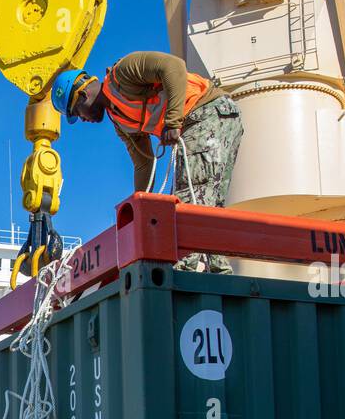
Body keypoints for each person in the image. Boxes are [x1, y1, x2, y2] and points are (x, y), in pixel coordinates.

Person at [52, 53, 244, 273]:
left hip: (207, 113)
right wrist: (140, 209)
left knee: (191, 196)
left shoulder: (123, 72)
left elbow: (174, 67)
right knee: (207, 201)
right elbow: (144, 163)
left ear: (83, 95)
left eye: (77, 113)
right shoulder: (120, 121)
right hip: (213, 120)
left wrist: (172, 121)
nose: (83, 119)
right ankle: (218, 271)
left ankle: (184, 272)